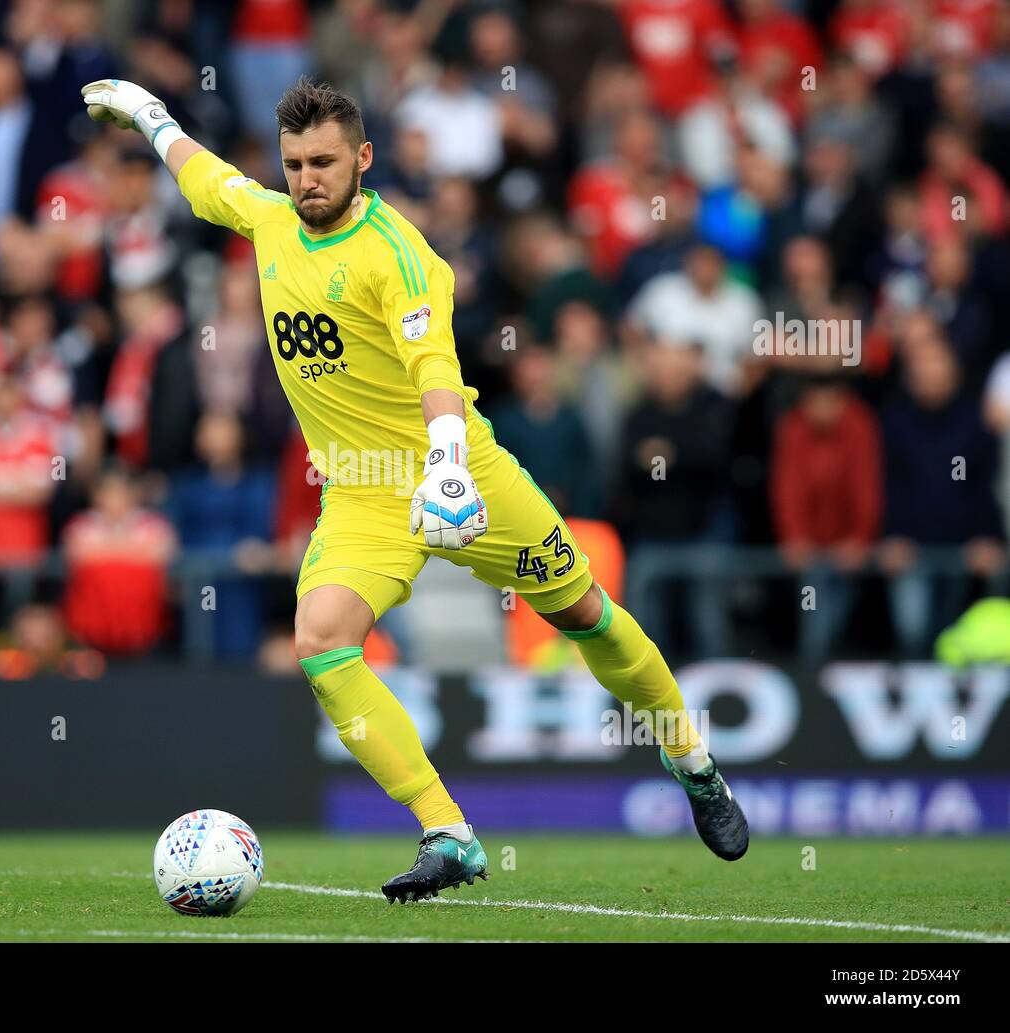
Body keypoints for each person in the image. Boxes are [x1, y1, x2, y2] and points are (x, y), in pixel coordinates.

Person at [82, 75, 750, 902]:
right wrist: (150, 115)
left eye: (323, 161)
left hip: (461, 469)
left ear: (362, 158)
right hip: (363, 493)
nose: (306, 179)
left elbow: (435, 363)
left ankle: (693, 763)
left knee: (585, 613)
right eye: (293, 163)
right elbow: (199, 173)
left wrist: (444, 456)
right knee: (322, 640)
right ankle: (449, 831)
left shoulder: (399, 252)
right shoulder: (268, 219)